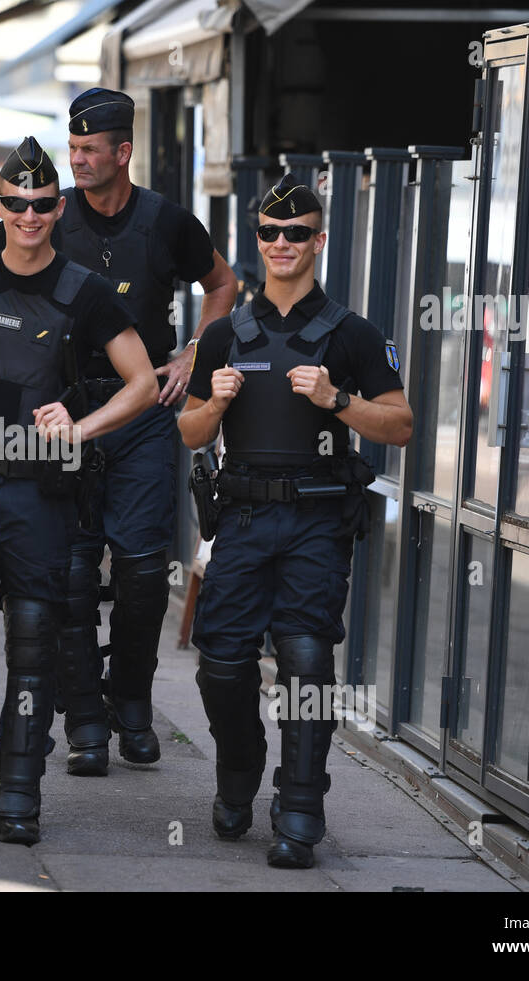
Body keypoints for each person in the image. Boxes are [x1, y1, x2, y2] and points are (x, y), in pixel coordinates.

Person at [0, 88, 238, 776]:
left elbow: (223, 285)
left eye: (88, 150)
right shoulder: (47, 212)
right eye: (72, 148)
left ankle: (131, 704)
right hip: (60, 417)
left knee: (142, 572)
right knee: (71, 573)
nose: (76, 160)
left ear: (123, 152)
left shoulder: (167, 222)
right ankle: (83, 720)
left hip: (140, 415)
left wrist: (193, 353)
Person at [0, 138, 158, 845]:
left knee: (34, 642)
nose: (29, 214)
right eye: (16, 204)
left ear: (58, 209)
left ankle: (19, 788)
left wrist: (81, 425)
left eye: (43, 204)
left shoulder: (86, 292)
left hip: (42, 499)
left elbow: (142, 386)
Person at [177, 174, 413, 868]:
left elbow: (399, 425)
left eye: (297, 233)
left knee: (307, 661)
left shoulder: (351, 333)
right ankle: (239, 770)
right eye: (270, 234)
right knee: (221, 662)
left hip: (315, 521)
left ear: (319, 241)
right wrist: (214, 403)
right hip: (243, 519)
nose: (282, 244)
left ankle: (301, 807)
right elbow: (190, 433)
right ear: (257, 242)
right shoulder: (224, 334)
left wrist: (338, 398)